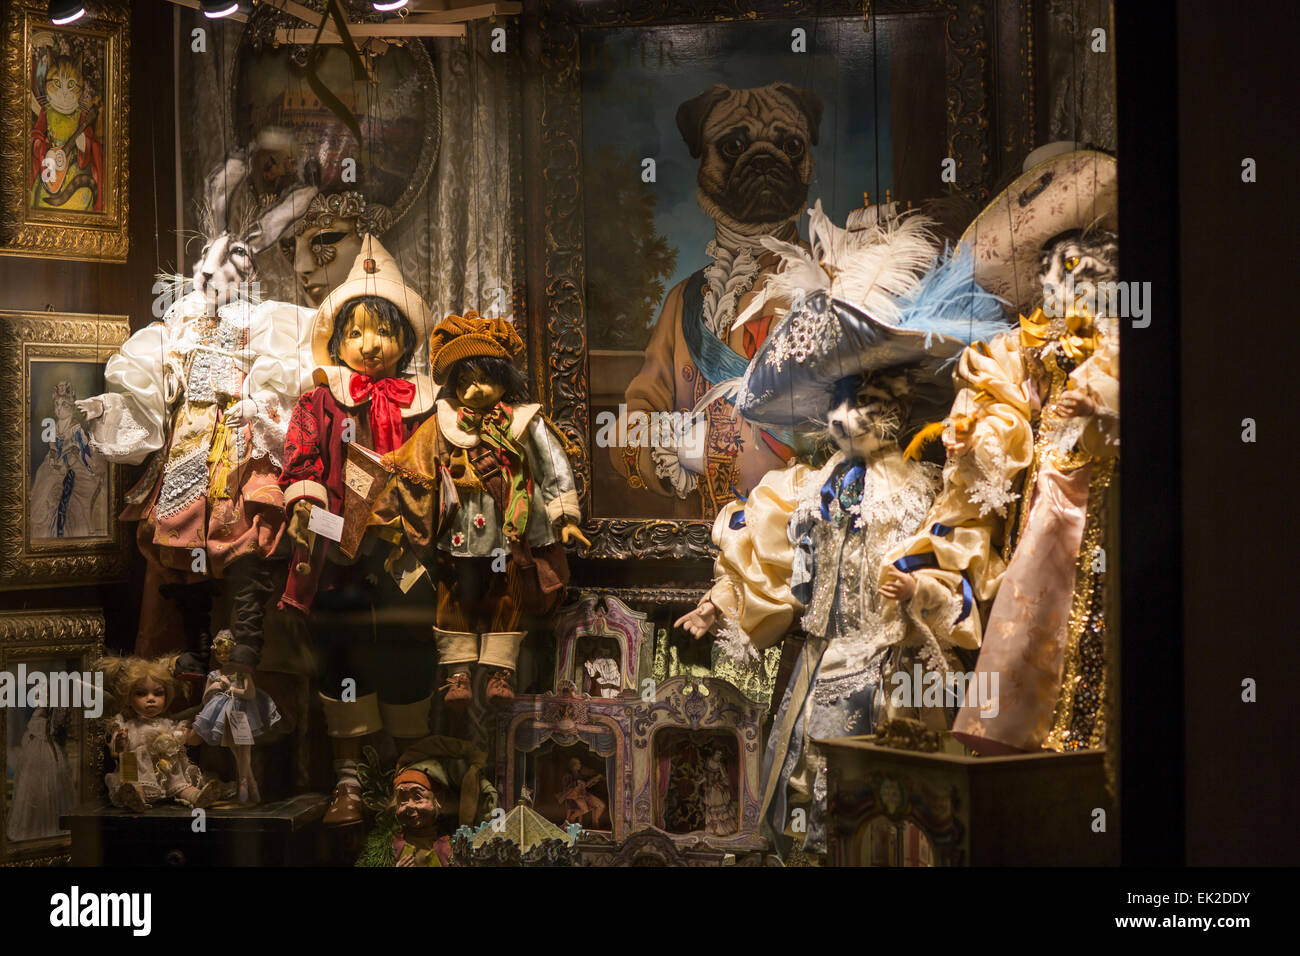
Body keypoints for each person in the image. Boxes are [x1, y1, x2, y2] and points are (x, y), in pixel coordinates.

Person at [277, 235, 438, 827]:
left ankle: (408, 772)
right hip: (339, 548)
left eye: (384, 332)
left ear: (406, 340)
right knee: (341, 650)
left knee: (408, 645)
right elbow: (301, 461)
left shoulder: (427, 403)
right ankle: (348, 777)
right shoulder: (322, 398)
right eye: (357, 333)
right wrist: (309, 506)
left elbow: (441, 465)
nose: (370, 346)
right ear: (339, 340)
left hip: (406, 549)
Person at [29, 380, 106, 540]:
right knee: (45, 487)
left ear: (71, 407)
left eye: (63, 405)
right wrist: (53, 460)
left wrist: (70, 458)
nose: (58, 409)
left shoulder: (75, 428)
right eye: (56, 405)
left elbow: (83, 450)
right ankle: (49, 532)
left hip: (75, 464)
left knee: (72, 497)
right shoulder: (52, 426)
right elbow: (52, 448)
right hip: (56, 465)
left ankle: (69, 532)